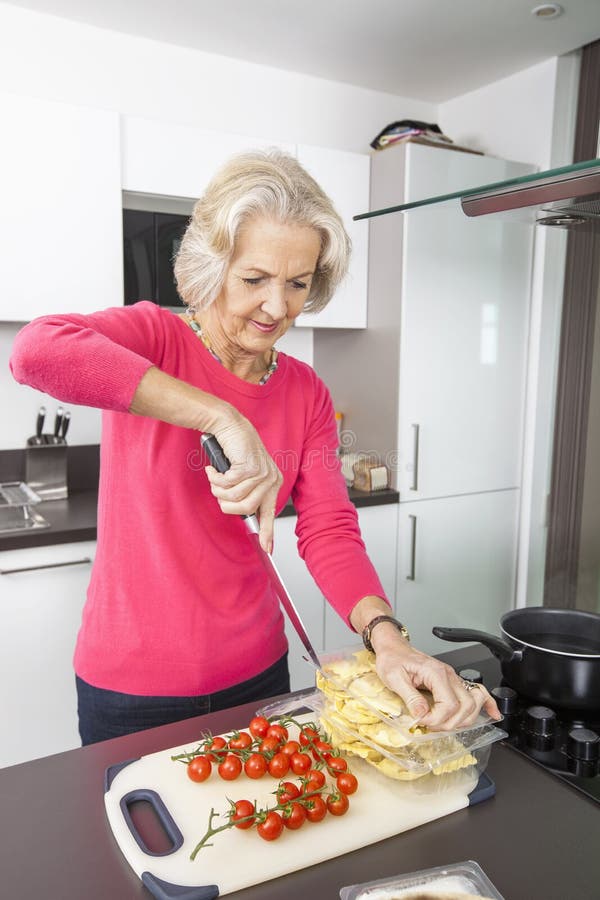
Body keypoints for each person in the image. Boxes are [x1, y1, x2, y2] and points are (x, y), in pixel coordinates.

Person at [10, 149, 500, 745]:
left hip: (259, 677)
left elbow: (329, 530)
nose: (278, 307)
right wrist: (223, 417)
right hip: (132, 688)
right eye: (254, 279)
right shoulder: (155, 338)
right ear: (213, 267)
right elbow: (36, 351)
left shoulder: (306, 392)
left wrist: (386, 637)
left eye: (298, 283)